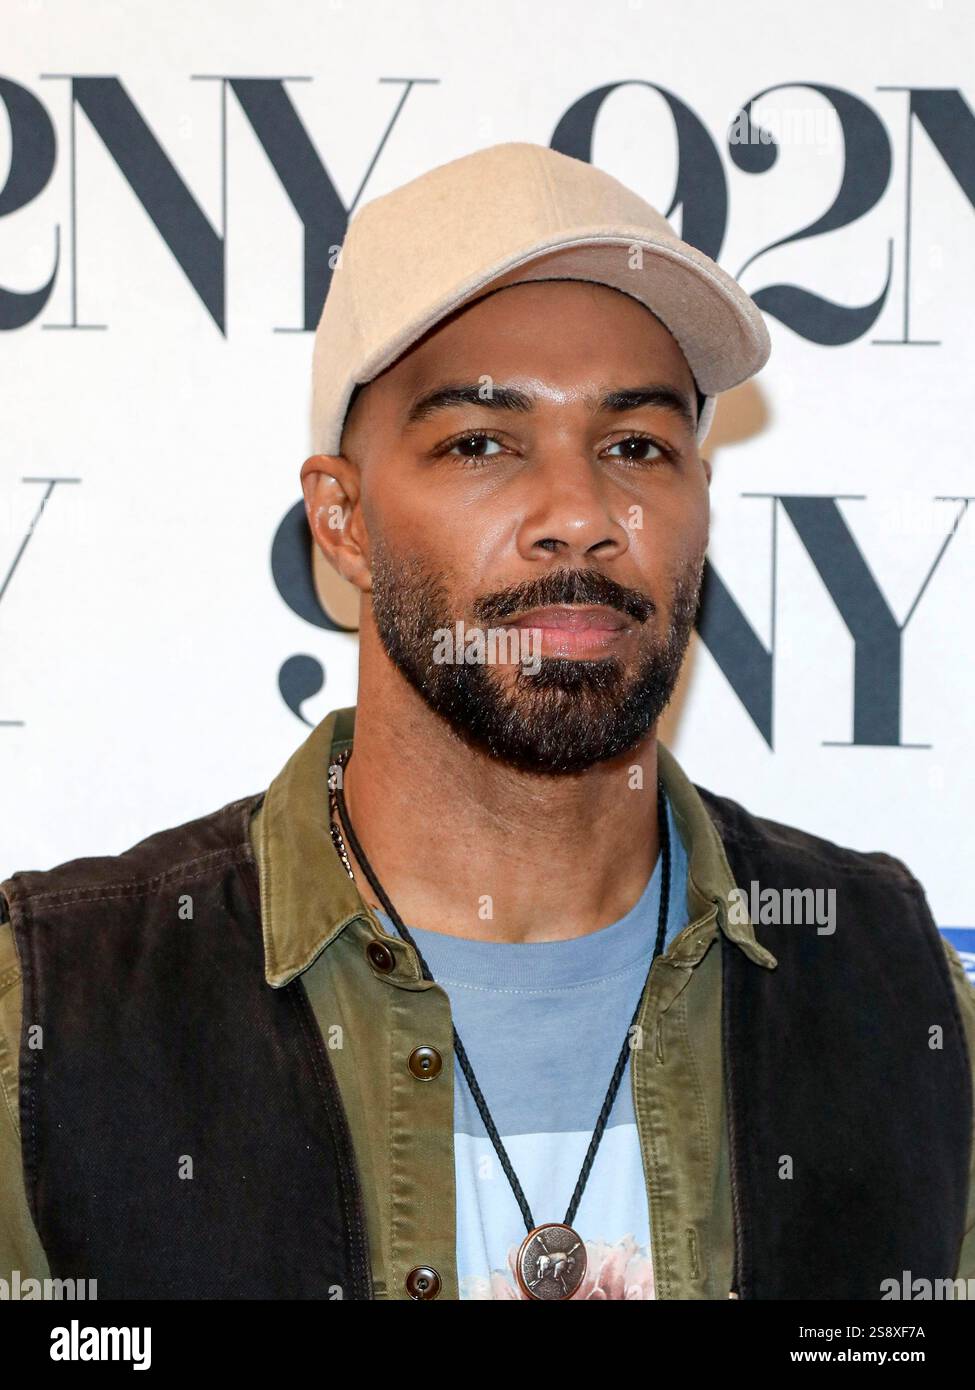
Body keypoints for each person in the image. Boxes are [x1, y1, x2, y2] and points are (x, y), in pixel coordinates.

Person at [1, 143, 972, 1302]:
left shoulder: (902, 1000)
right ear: (343, 520)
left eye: (635, 446)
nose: (579, 515)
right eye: (481, 443)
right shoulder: (54, 1014)